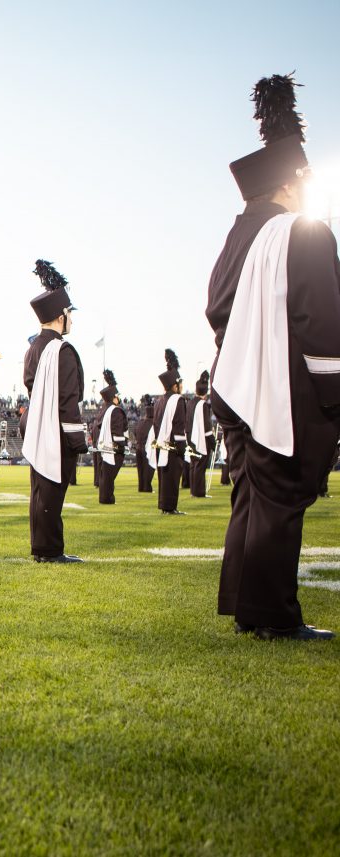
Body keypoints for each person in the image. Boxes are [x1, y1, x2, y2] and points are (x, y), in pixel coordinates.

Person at [207, 73, 339, 640]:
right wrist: (334, 399)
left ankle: (244, 603)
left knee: (250, 497)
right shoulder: (303, 231)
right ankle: (271, 615)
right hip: (284, 389)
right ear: (292, 183)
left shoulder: (238, 238)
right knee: (281, 497)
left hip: (234, 387)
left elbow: (216, 309)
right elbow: (323, 321)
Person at [21, 259, 87, 563]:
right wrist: (77, 441)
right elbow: (67, 400)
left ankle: (42, 547)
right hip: (56, 432)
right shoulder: (62, 350)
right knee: (51, 493)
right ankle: (49, 550)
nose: (71, 318)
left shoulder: (33, 348)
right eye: (70, 313)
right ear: (61, 316)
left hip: (37, 427)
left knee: (39, 491)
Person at [153, 349, 188, 516]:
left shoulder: (160, 401)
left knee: (164, 477)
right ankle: (170, 507)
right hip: (173, 445)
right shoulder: (178, 400)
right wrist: (182, 447)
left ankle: (164, 506)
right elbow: (179, 425)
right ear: (175, 385)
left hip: (161, 444)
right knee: (172, 477)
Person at [90, 369, 128, 505]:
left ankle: (106, 497)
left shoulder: (104, 411)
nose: (119, 398)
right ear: (113, 397)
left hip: (103, 447)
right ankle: (107, 498)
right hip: (113, 448)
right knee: (108, 474)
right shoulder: (116, 411)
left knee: (105, 474)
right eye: (117, 395)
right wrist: (122, 447)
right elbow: (118, 432)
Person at [188, 371, 215, 498]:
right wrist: (212, 442)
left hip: (190, 438)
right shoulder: (203, 405)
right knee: (200, 466)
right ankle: (199, 492)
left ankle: (194, 490)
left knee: (193, 465)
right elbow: (207, 425)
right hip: (201, 439)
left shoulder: (190, 403)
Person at [134, 395, 156, 493]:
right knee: (148, 469)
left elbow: (135, 432)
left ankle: (141, 487)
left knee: (140, 469)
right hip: (147, 448)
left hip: (138, 447)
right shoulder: (153, 424)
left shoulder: (140, 423)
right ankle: (147, 487)